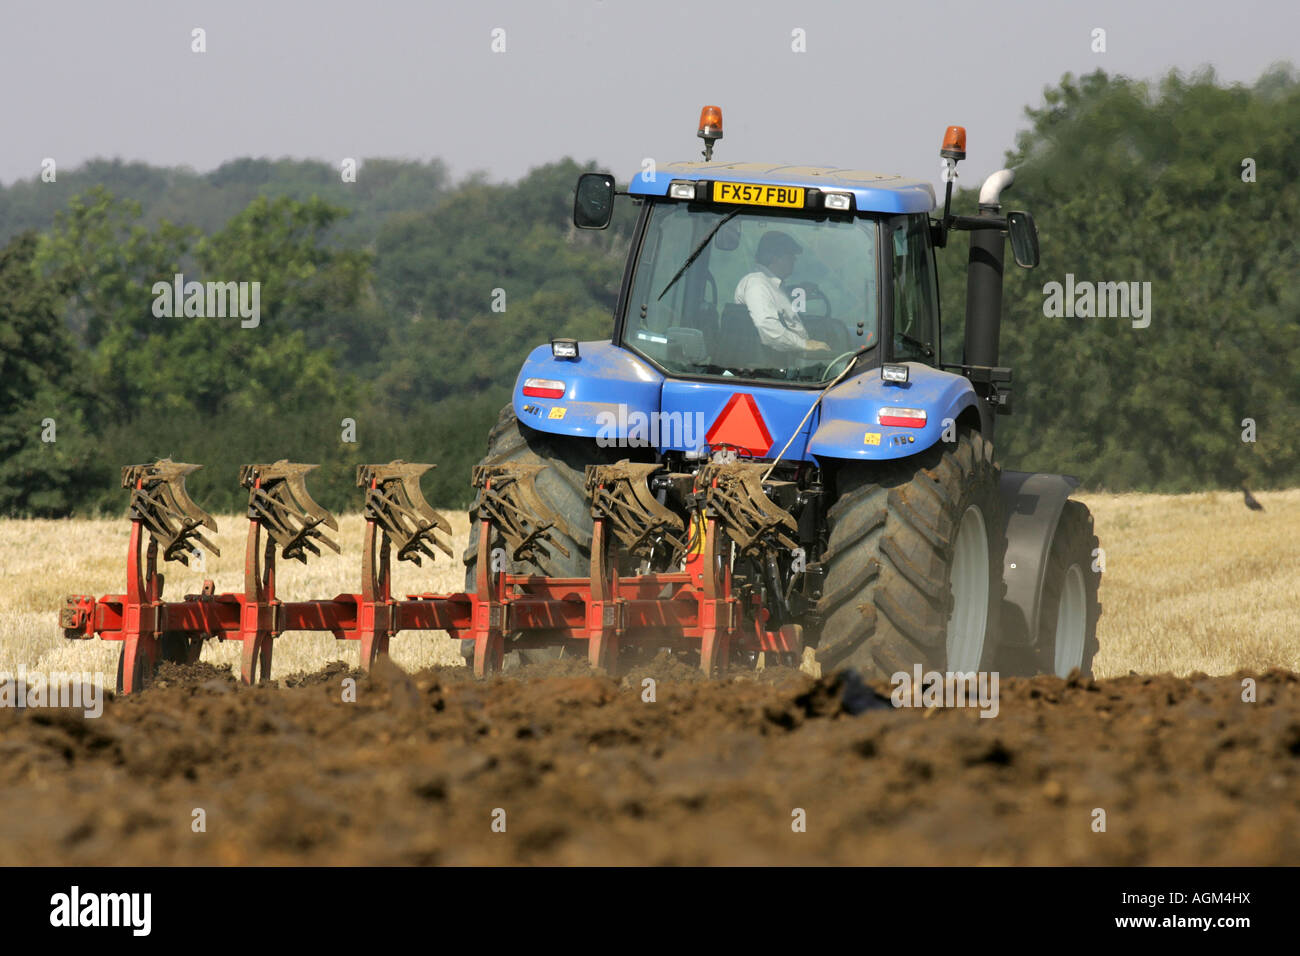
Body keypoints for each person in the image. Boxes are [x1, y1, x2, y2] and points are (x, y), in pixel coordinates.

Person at [734, 231, 830, 353]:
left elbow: (776, 302)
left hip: (787, 357)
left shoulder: (771, 286)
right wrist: (805, 344)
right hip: (773, 362)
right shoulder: (757, 284)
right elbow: (766, 324)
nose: (795, 259)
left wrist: (799, 291)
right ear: (776, 258)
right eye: (790, 255)